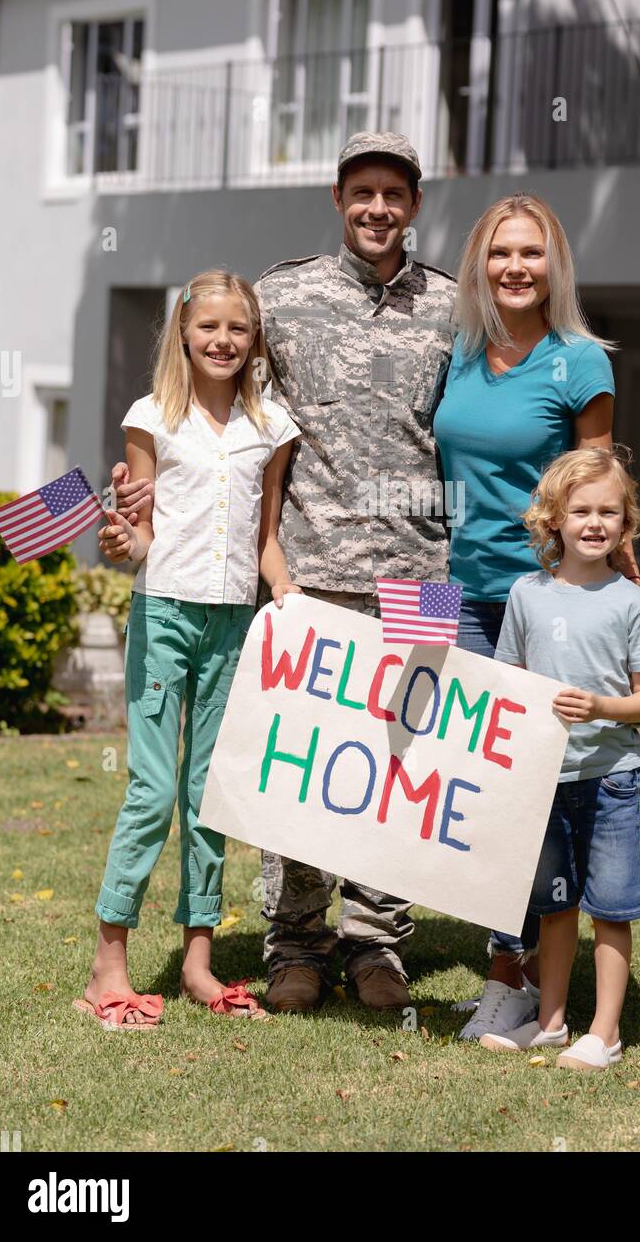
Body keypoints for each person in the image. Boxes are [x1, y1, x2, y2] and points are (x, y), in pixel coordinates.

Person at [433, 193, 640, 1040]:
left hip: (547, 600)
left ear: (554, 265)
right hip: (454, 591)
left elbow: (600, 487)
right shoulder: (458, 351)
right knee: (482, 785)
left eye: (532, 253)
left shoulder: (581, 362)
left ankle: (525, 976)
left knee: (541, 787)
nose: (515, 268)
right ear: (480, 262)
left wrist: (627, 587)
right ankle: (511, 970)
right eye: (501, 252)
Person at [254, 131, 458, 1012]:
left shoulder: (456, 306)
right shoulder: (280, 295)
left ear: (415, 205)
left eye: (396, 194)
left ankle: (378, 944)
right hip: (313, 569)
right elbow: (234, 415)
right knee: (303, 759)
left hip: (425, 572)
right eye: (362, 192)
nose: (379, 207)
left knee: (400, 758)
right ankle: (295, 944)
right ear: (339, 201)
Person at [74, 270, 300, 1029]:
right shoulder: (152, 418)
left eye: (238, 329)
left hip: (233, 623)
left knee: (209, 794)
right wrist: (118, 535)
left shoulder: (271, 427)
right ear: (183, 331)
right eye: (209, 327)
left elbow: (266, 540)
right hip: (164, 614)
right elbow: (136, 537)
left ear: (254, 337)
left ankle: (199, 962)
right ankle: (109, 967)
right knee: (152, 790)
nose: (224, 341)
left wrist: (290, 597)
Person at [478, 447, 640, 1067]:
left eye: (609, 512)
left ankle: (605, 1033)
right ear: (552, 518)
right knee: (554, 906)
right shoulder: (526, 595)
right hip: (544, 783)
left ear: (626, 523)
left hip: (611, 781)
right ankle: (552, 1022)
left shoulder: (632, 604)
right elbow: (507, 680)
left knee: (610, 910)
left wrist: (601, 708)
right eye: (580, 509)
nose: (594, 522)